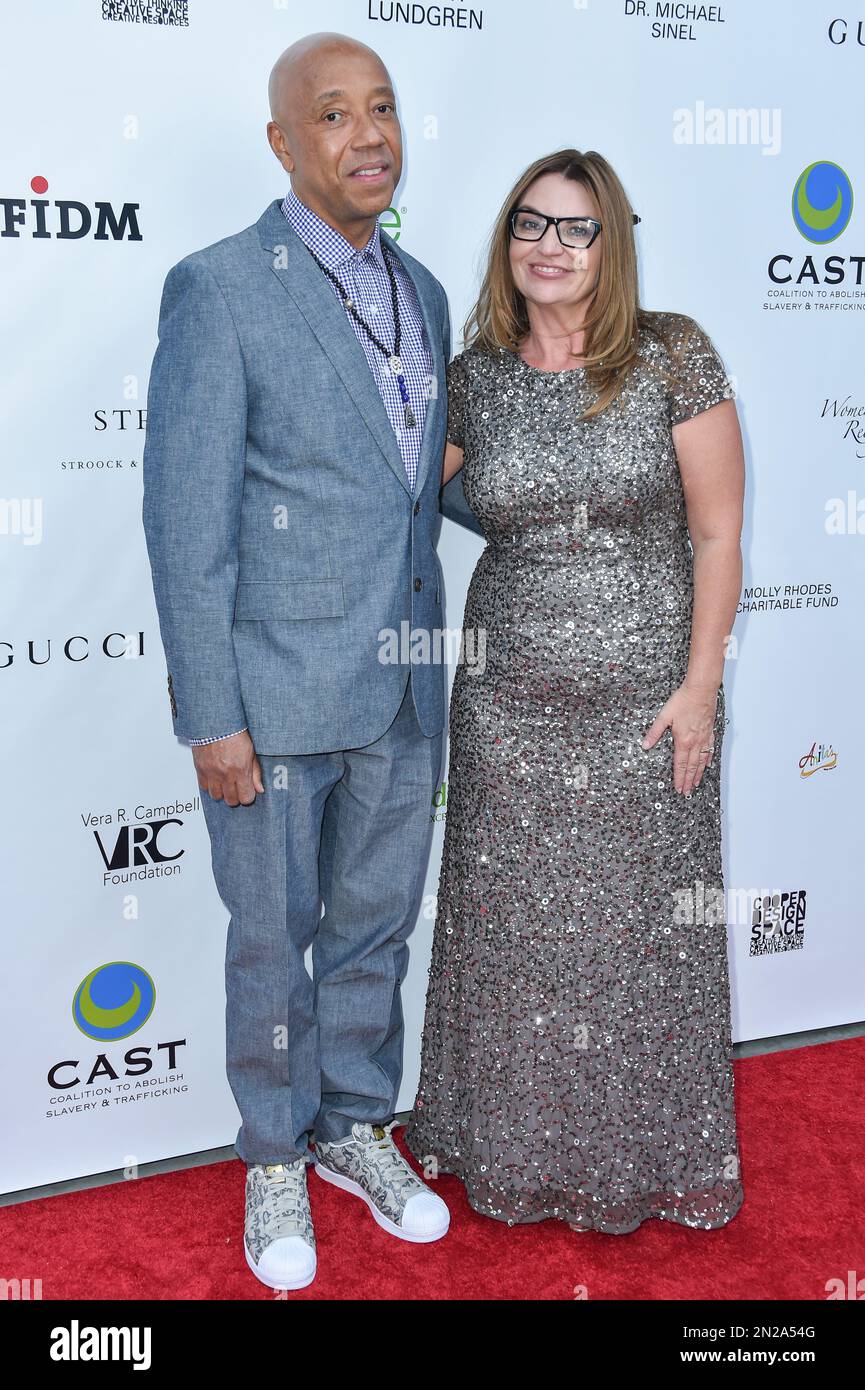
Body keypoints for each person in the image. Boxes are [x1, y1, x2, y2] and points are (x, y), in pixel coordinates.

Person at [141, 31, 483, 1291]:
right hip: (272, 697)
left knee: (374, 932)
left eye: (382, 108)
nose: (367, 134)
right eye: (333, 116)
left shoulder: (429, 293)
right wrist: (209, 713)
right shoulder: (222, 286)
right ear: (285, 143)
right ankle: (273, 1154)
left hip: (402, 687)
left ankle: (352, 1128)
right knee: (272, 940)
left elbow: (416, 488)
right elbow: (185, 523)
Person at [404, 148, 747, 1235]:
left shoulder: (669, 354)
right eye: (529, 225)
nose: (548, 247)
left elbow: (717, 531)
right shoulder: (475, 377)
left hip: (648, 701)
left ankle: (636, 1158)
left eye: (575, 228)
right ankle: (507, 1147)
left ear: (613, 246)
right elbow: (404, 497)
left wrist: (701, 687)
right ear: (506, 241)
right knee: (510, 938)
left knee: (639, 939)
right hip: (506, 706)